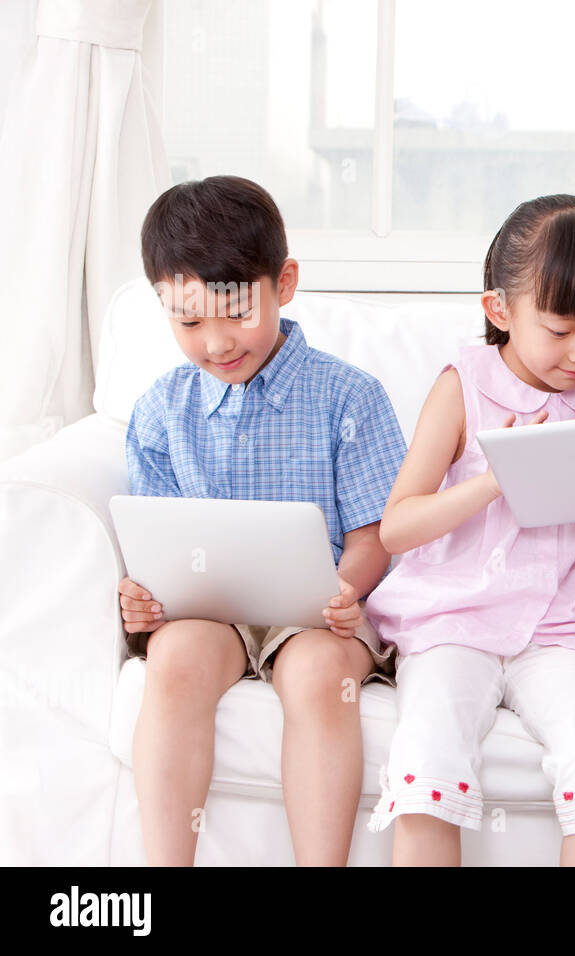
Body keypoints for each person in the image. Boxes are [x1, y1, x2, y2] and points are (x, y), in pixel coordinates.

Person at [364, 195, 575, 866]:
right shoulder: (464, 385)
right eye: (561, 328)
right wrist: (492, 480)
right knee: (428, 756)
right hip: (453, 619)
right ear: (499, 311)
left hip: (562, 627)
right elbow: (397, 528)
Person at [118, 175, 408, 865]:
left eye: (234, 313)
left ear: (284, 283)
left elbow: (378, 533)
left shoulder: (350, 398)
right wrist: (141, 594)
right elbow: (155, 537)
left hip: (323, 614)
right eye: (188, 321)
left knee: (314, 675)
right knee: (177, 658)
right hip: (210, 613)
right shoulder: (162, 409)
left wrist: (343, 590)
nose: (216, 342)